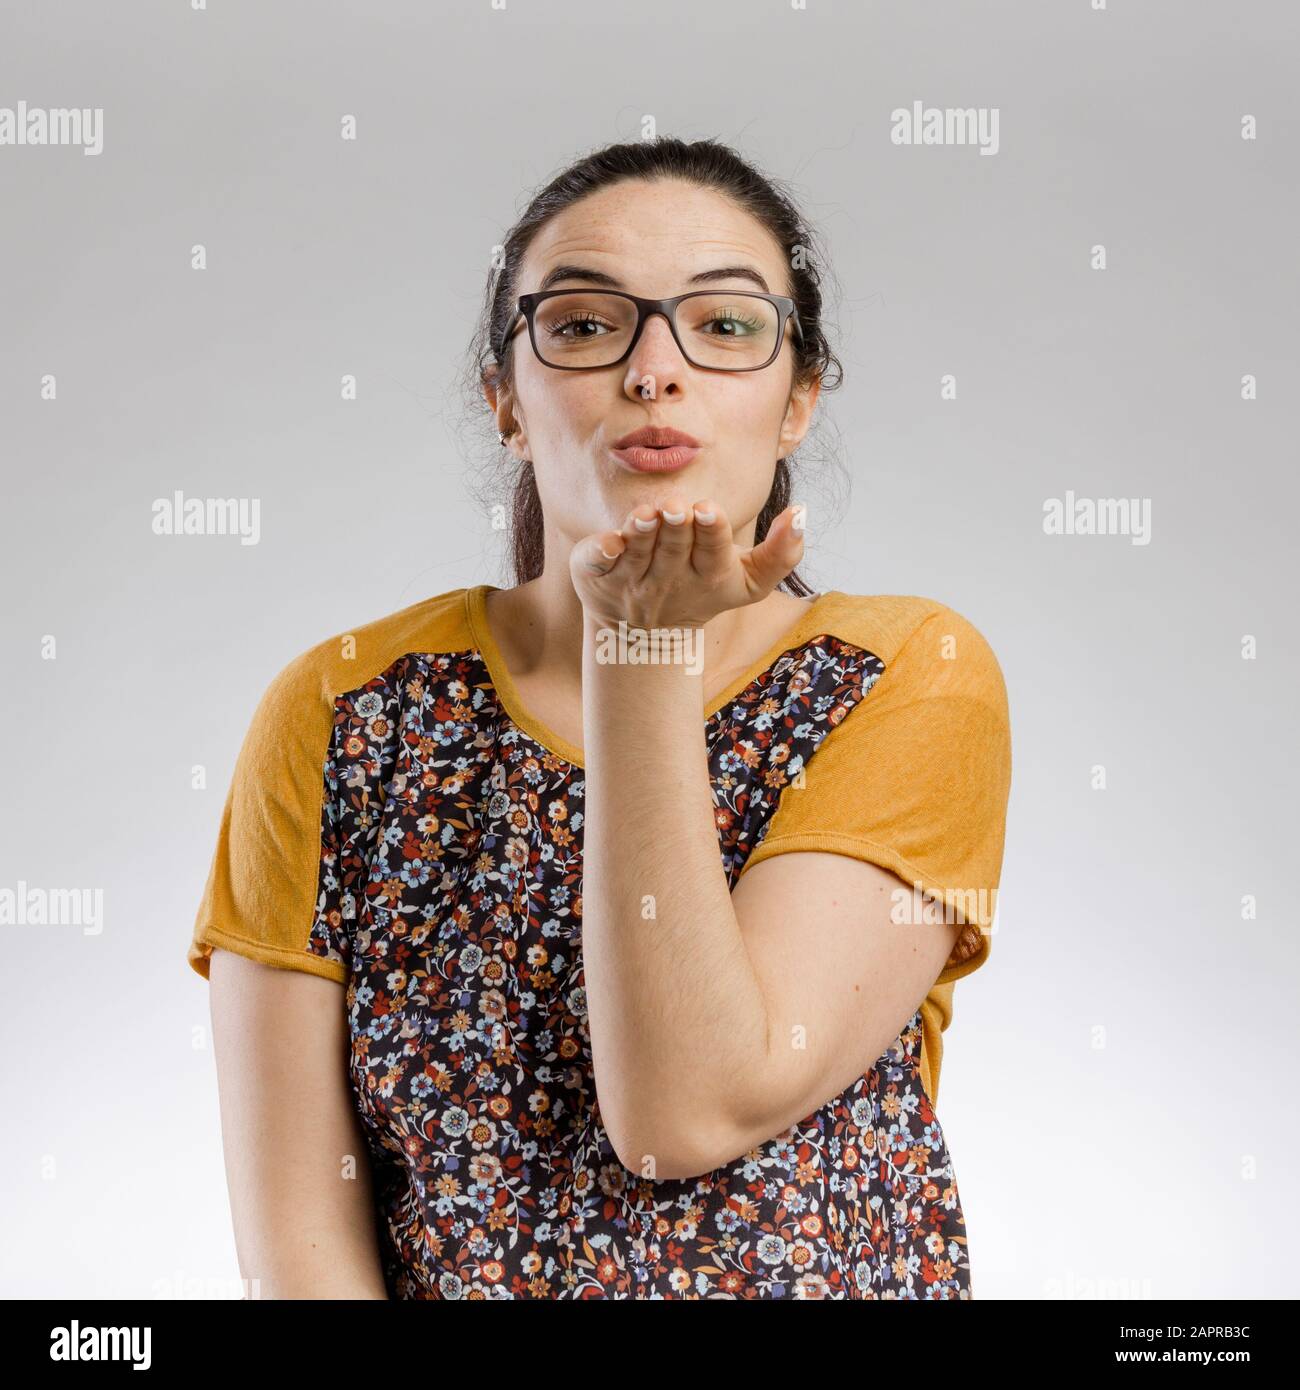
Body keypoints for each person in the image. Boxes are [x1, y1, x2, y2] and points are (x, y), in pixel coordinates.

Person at [187, 136, 1011, 1300]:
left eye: (724, 327)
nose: (653, 371)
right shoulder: (342, 709)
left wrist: (642, 647)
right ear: (505, 402)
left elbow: (684, 1108)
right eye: (583, 326)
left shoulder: (902, 674)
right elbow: (301, 1256)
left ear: (797, 400)